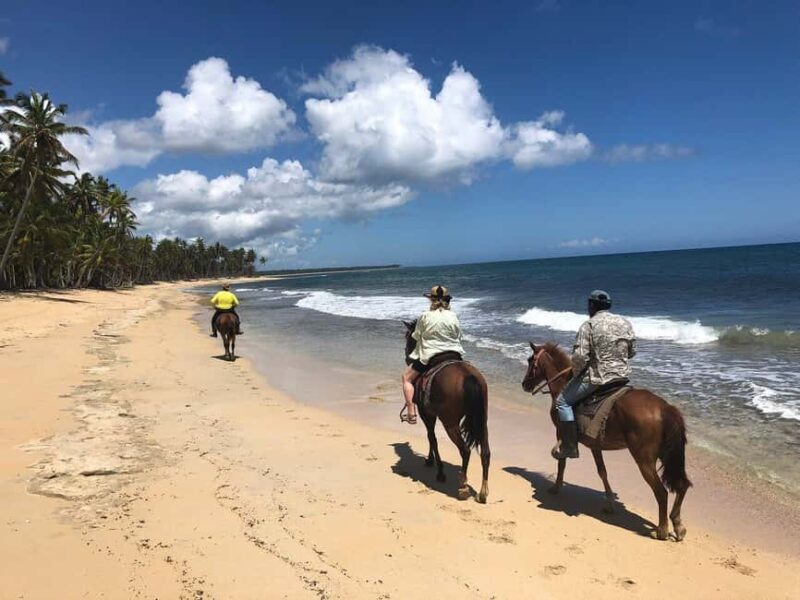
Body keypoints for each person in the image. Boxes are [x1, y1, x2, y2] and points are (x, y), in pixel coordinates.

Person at [551, 290, 636, 459]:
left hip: (599, 379)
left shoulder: (589, 325)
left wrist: (576, 373)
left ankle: (569, 446)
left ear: (591, 306)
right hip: (622, 377)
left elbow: (580, 357)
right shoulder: (625, 322)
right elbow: (632, 352)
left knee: (562, 402)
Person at [401, 285, 465, 424]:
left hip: (431, 355)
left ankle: (411, 411)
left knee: (406, 378)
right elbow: (459, 337)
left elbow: (416, 336)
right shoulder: (453, 315)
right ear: (447, 300)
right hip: (455, 354)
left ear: (431, 300)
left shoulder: (425, 316)